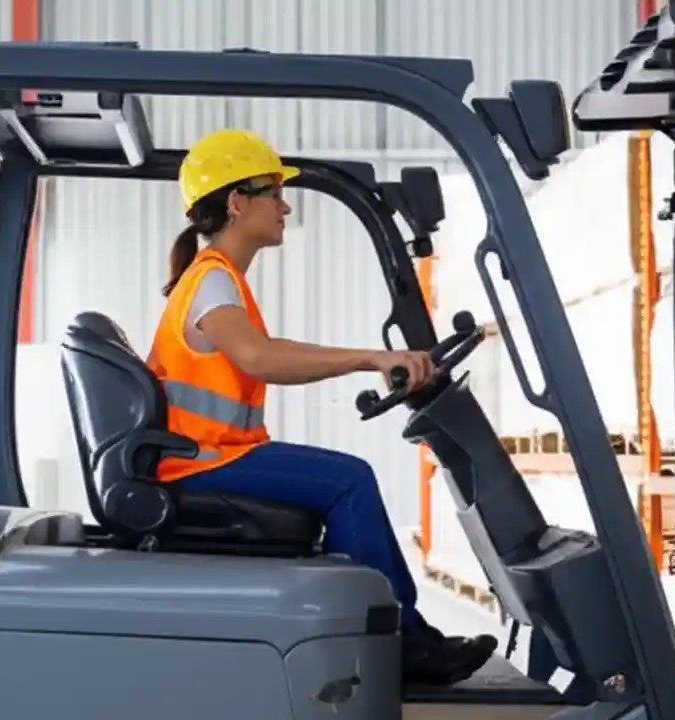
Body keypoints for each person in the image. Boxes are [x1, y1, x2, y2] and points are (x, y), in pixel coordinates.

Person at [145, 128, 498, 686]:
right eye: (273, 193)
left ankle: (373, 630)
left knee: (345, 479)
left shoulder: (215, 278)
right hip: (203, 462)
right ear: (237, 203)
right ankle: (404, 641)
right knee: (349, 480)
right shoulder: (212, 280)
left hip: (208, 456)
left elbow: (261, 356)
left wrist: (373, 360)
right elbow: (260, 358)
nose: (285, 206)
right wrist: (370, 359)